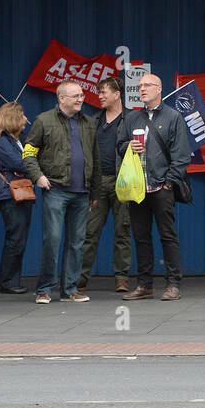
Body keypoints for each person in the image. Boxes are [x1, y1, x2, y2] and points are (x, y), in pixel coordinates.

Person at [22, 81, 102, 305]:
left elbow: (95, 158)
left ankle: (70, 289)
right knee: (53, 240)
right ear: (61, 98)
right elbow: (28, 153)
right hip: (55, 189)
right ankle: (45, 289)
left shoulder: (88, 122)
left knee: (77, 242)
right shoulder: (43, 121)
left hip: (82, 192)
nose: (80, 99)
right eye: (75, 96)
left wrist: (94, 190)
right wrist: (38, 176)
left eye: (82, 95)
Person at [118, 72, 191, 302]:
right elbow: (119, 146)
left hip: (161, 187)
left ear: (159, 89)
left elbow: (181, 155)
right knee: (140, 237)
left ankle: (173, 284)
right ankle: (144, 285)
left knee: (167, 236)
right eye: (139, 86)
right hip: (137, 187)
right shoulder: (131, 118)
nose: (142, 89)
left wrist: (168, 183)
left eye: (147, 85)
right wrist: (129, 145)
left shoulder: (173, 117)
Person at [78, 75, 131, 295]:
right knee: (90, 232)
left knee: (123, 230)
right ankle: (79, 279)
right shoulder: (94, 120)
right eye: (99, 92)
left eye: (104, 92)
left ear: (117, 94)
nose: (99, 96)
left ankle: (121, 278)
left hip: (124, 181)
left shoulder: (132, 119)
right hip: (98, 183)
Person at [0, 101, 32, 294]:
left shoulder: (20, 139)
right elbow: (20, 164)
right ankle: (7, 282)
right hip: (9, 194)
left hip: (21, 193)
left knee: (19, 237)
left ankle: (11, 279)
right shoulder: (1, 140)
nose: (25, 119)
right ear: (12, 119)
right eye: (21, 115)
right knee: (15, 237)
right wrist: (34, 162)